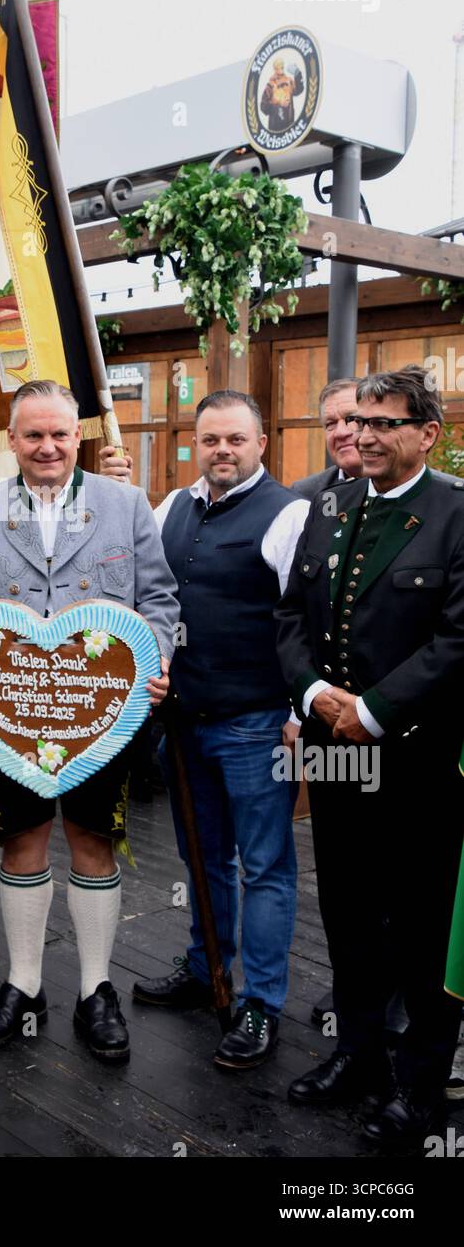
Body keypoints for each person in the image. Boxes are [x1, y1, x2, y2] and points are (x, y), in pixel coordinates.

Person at [0, 380, 180, 1062]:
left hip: (103, 712)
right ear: (10, 440)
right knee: (22, 842)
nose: (47, 447)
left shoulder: (125, 503)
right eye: (32, 434)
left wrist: (154, 662)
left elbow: (159, 599)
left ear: (79, 438)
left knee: (94, 841)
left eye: (60, 434)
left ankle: (97, 990)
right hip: (11, 713)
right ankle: (24, 983)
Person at [276, 367, 464, 1146]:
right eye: (360, 420)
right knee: (346, 908)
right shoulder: (327, 506)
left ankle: (420, 1085)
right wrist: (317, 694)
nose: (366, 434)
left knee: (419, 924)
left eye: (387, 423)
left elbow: (460, 638)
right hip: (331, 750)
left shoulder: (456, 513)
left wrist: (375, 711)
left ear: (428, 432)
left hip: (418, 757)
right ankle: (358, 1056)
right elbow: (288, 615)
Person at [133, 391, 310, 1070]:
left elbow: (304, 621)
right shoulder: (171, 507)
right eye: (210, 441)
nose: (222, 451)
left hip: (256, 722)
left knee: (265, 866)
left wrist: (297, 715)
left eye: (236, 439)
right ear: (195, 445)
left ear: (261, 443)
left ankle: (260, 1003)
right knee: (203, 860)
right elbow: (148, 596)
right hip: (182, 724)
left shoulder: (288, 514)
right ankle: (209, 965)